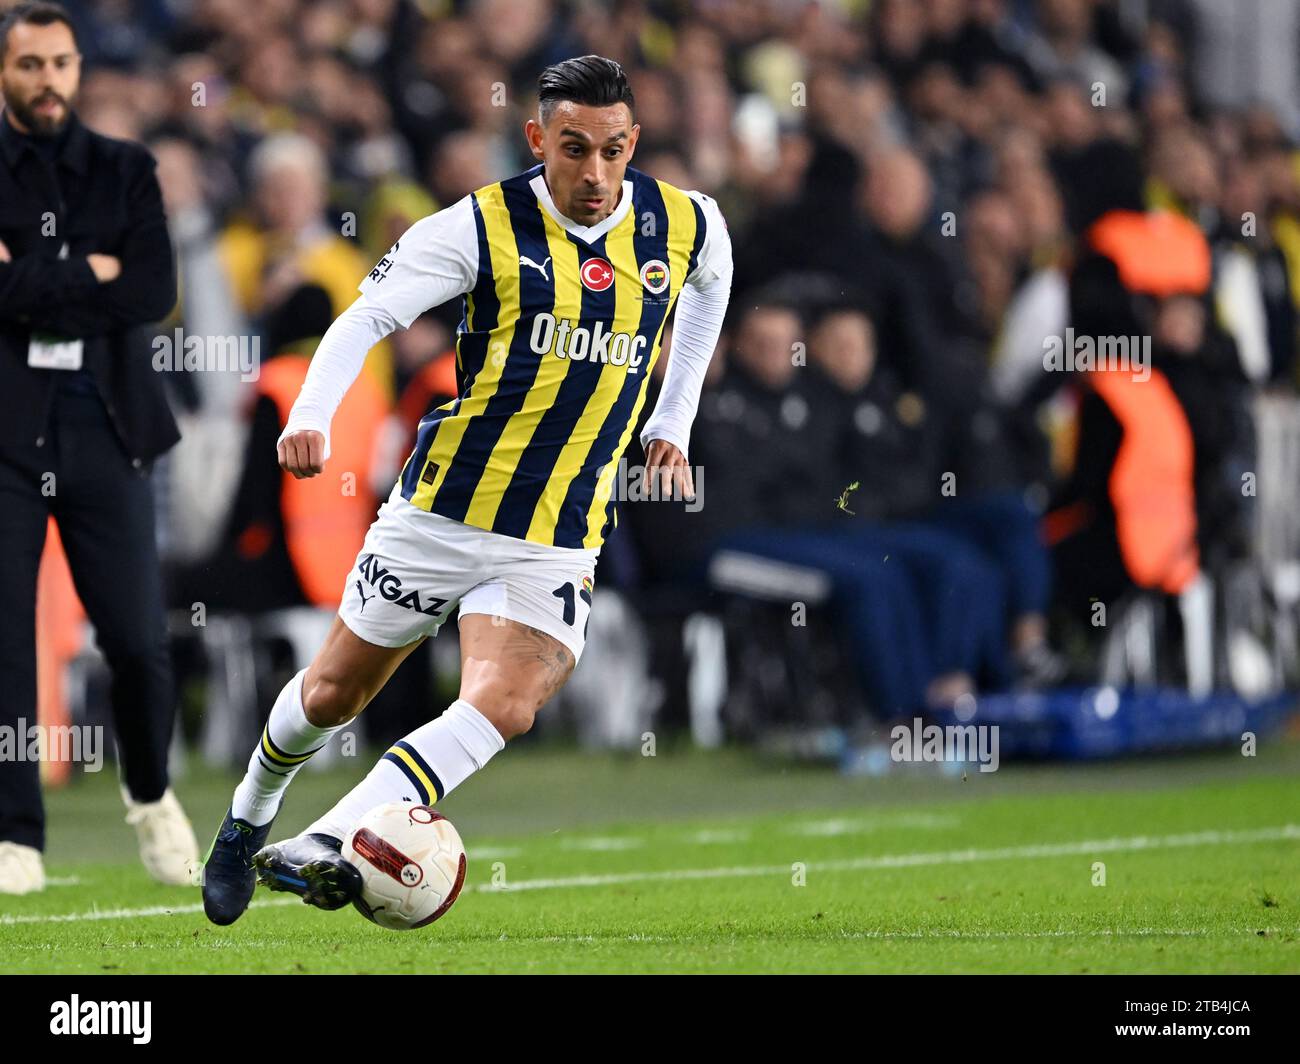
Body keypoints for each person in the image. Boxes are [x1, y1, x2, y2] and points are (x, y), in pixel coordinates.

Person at [201, 55, 733, 924]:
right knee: (333, 695)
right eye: (574, 149)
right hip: (443, 513)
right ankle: (246, 816)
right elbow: (366, 318)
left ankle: (326, 839)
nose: (595, 174)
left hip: (556, 531)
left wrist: (673, 418)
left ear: (633, 142)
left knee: (506, 704)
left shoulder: (685, 222)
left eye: (612, 151)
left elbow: (712, 283)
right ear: (536, 139)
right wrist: (312, 414)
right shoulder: (478, 227)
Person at [0, 1, 198, 893]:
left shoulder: (125, 168)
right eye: (30, 64)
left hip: (108, 426)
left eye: (62, 63)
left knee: (139, 642)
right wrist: (91, 271)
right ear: (4, 73)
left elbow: (150, 292)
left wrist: (29, 277)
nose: (49, 80)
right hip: (8, 433)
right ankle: (15, 835)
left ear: (79, 69)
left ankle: (151, 794)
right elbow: (112, 286)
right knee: (6, 643)